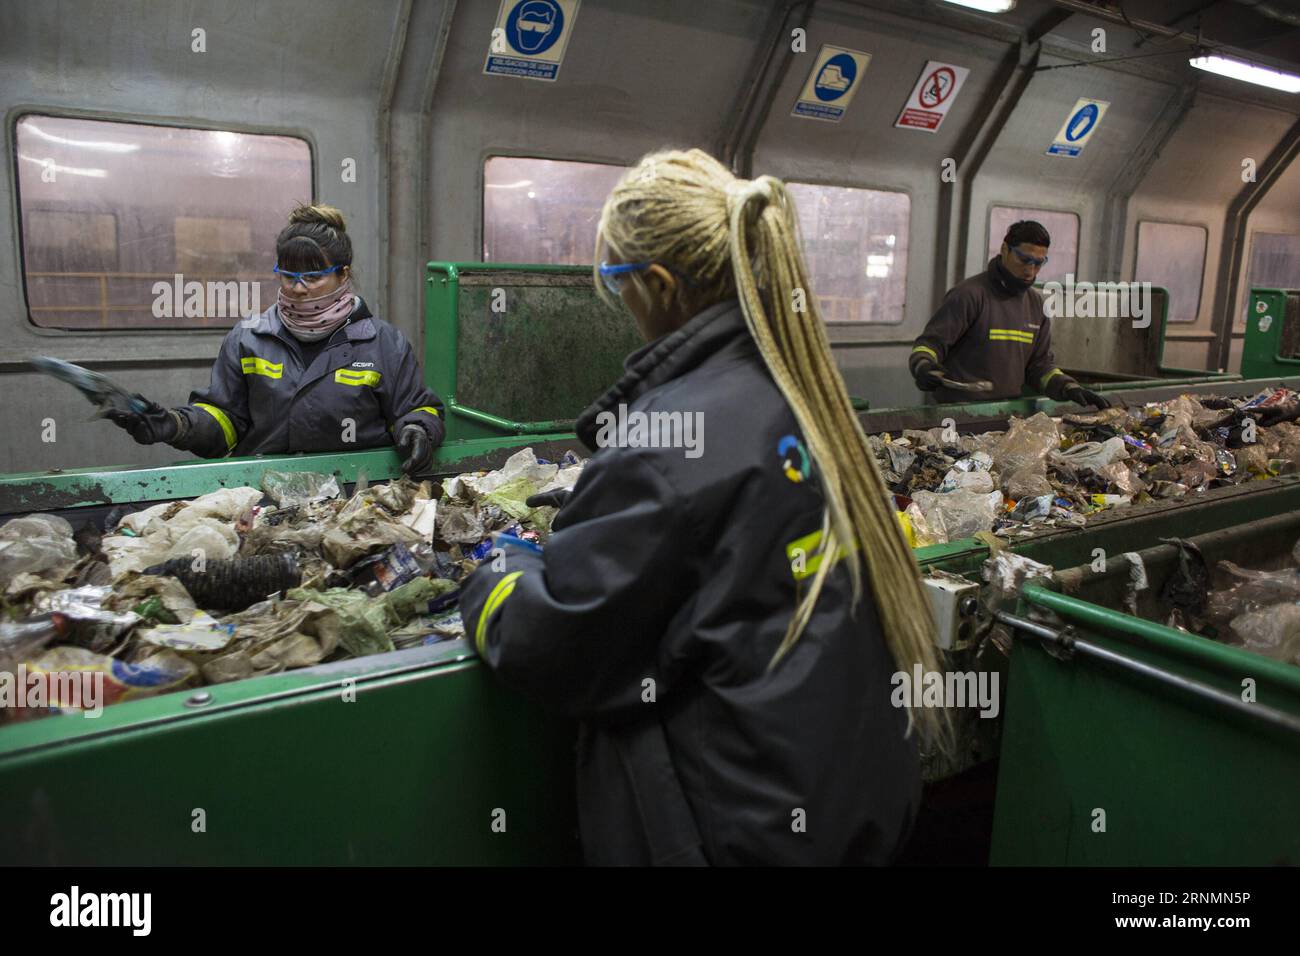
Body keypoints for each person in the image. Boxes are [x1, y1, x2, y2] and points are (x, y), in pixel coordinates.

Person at [459, 149, 948, 866]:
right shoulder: (801, 387)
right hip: (850, 803)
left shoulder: (663, 449)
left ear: (658, 285)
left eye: (617, 286)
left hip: (742, 832)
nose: (621, 306)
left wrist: (499, 571)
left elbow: (561, 645)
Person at [107, 204, 445, 473]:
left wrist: (418, 430)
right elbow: (226, 421)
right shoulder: (249, 339)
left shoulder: (383, 343)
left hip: (354, 498)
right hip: (266, 497)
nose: (299, 288)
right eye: (289, 276)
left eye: (313, 277)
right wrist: (176, 425)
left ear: (344, 274)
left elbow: (417, 409)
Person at [909, 220, 1111, 409]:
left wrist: (1067, 387)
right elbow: (929, 344)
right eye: (1024, 259)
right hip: (959, 414)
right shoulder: (970, 295)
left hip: (1006, 413)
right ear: (1005, 250)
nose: (1030, 270)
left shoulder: (1035, 305)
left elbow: (1039, 366)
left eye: (1039, 263)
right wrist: (924, 366)